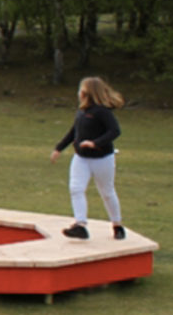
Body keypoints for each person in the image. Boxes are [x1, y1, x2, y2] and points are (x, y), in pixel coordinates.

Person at [50, 77, 126, 240]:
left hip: (102, 158)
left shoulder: (102, 112)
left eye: (80, 90)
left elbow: (115, 131)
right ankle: (80, 225)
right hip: (81, 158)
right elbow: (74, 132)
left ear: (86, 93)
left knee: (107, 192)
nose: (78, 93)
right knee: (76, 188)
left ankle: (117, 225)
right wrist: (59, 148)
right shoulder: (82, 111)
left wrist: (95, 143)